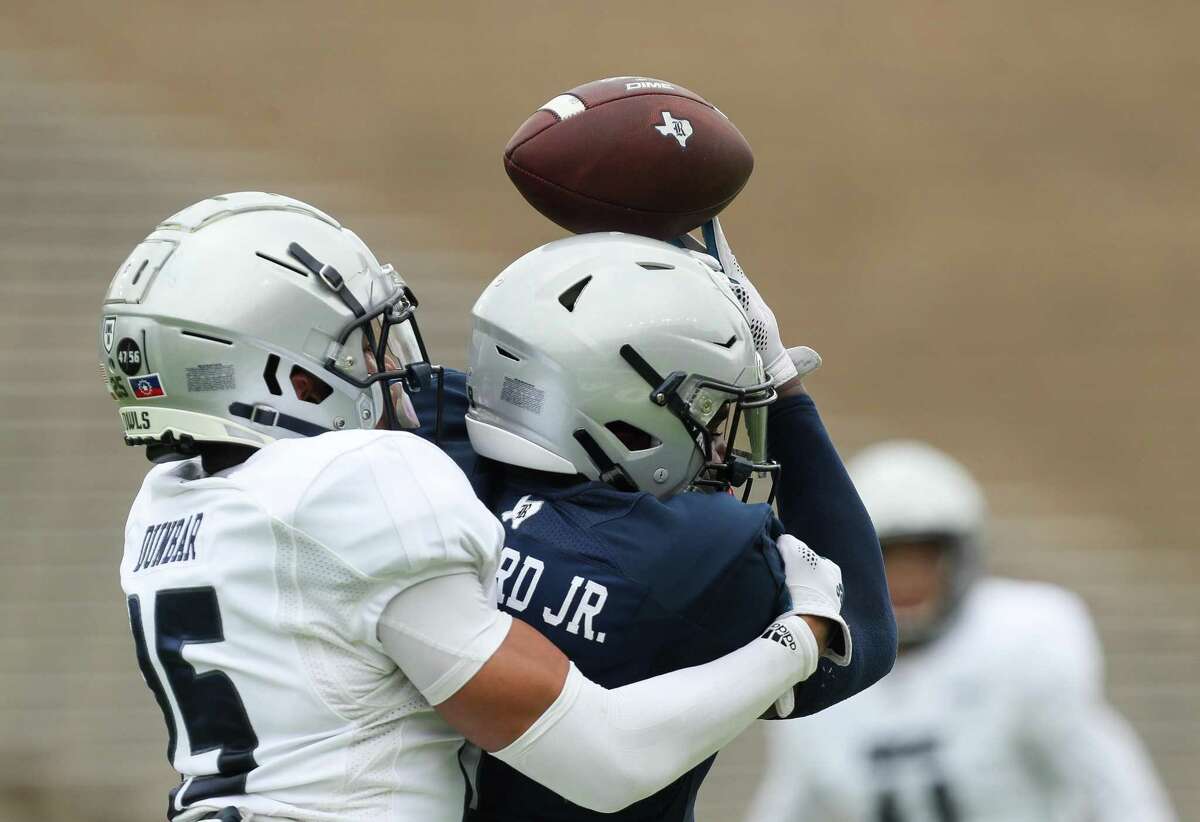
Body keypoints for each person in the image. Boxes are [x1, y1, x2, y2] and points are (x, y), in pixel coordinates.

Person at [104, 192, 849, 822]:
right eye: (363, 347)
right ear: (283, 375)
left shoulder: (165, 510)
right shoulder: (355, 478)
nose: (392, 368)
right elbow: (605, 757)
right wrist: (801, 638)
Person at [402, 221, 896, 821]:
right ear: (626, 416)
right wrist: (783, 387)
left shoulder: (418, 462)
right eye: (707, 414)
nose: (719, 446)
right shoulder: (695, 554)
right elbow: (865, 631)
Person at [746, 440, 1177, 822]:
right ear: (859, 569)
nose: (908, 581)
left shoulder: (1024, 639)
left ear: (960, 559)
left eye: (923, 560)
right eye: (889, 562)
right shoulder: (821, 661)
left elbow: (1115, 788)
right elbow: (787, 805)